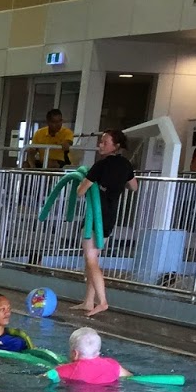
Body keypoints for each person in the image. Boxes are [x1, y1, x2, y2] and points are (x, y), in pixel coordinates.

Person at [75, 129, 137, 316]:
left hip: (95, 217)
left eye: (104, 142)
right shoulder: (126, 165)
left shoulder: (99, 166)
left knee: (91, 260)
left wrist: (90, 183)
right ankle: (88, 301)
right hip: (109, 217)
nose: (100, 145)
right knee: (93, 258)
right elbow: (134, 187)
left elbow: (80, 191)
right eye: (101, 142)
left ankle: (102, 301)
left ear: (115, 146)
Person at [48, 326, 131, 387]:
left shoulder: (62, 371)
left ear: (75, 354)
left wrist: (62, 368)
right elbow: (129, 376)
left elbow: (42, 378)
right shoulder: (112, 365)